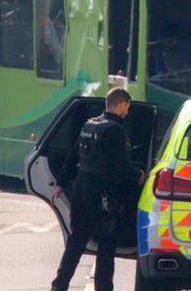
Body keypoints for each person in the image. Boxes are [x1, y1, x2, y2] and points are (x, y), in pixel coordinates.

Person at [50, 87, 144, 291]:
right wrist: (140, 176)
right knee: (107, 243)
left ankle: (59, 285)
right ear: (120, 104)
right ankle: (104, 288)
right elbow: (122, 166)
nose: (127, 111)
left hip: (81, 188)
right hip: (102, 192)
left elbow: (72, 156)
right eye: (127, 106)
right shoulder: (115, 130)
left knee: (77, 241)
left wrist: (60, 183)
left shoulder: (89, 125)